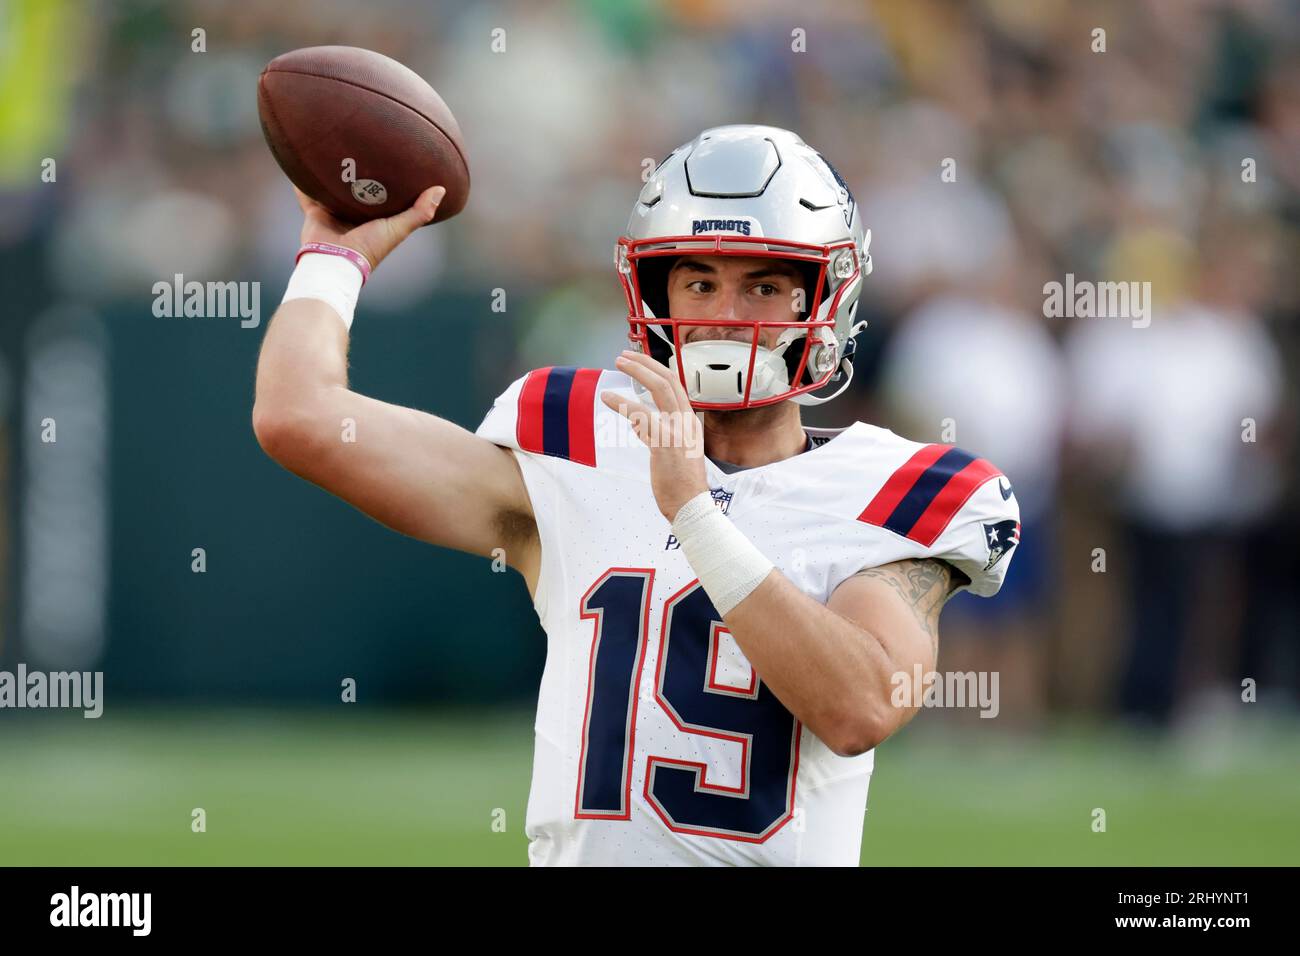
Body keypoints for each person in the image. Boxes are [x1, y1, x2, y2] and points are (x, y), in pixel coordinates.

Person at [252, 125, 1021, 866]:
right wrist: (332, 259)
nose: (725, 314)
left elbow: (861, 706)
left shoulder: (892, 488)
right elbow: (300, 419)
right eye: (697, 282)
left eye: (763, 285)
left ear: (825, 298)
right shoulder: (580, 443)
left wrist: (695, 515)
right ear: (654, 296)